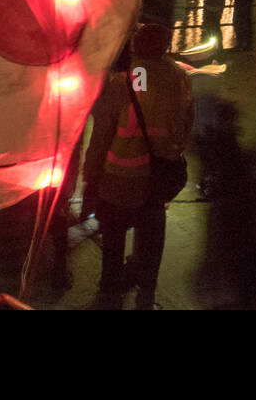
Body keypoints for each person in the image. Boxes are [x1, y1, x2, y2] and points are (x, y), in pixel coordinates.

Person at [82, 23, 193, 309]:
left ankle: (109, 290)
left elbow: (101, 136)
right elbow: (187, 123)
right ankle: (147, 286)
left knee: (114, 234)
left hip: (121, 177)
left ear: (134, 47)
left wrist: (90, 174)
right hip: (161, 175)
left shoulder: (121, 84)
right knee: (153, 228)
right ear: (165, 47)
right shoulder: (180, 78)